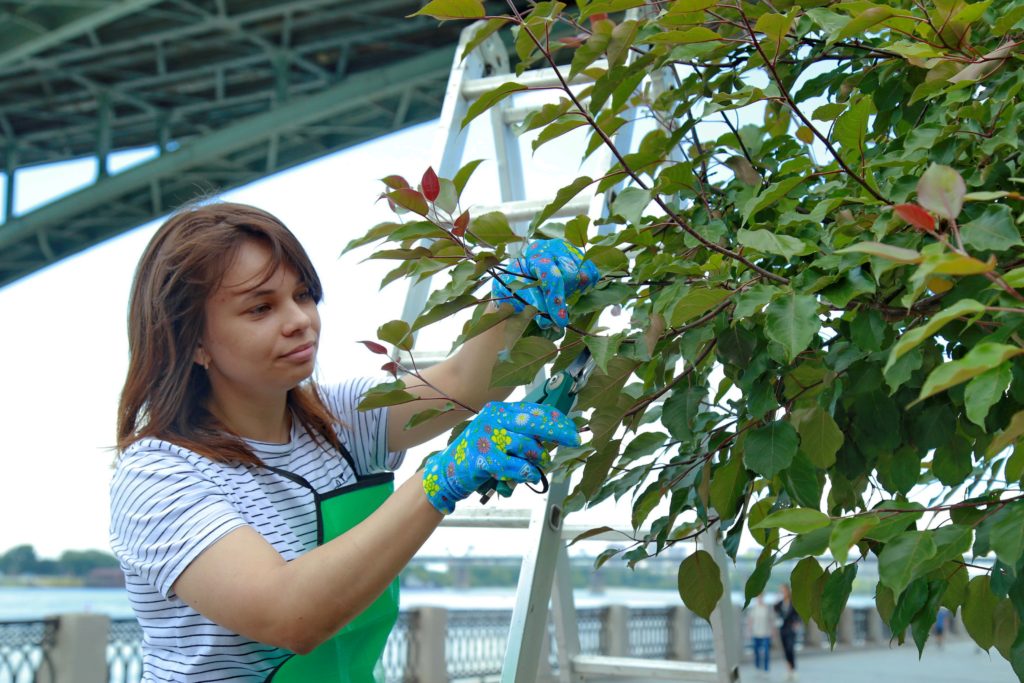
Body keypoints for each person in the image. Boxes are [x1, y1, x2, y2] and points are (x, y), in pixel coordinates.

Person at [108, 201, 599, 682]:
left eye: (302, 295)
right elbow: (289, 615)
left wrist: (510, 299)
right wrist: (439, 478)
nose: (299, 319)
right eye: (260, 307)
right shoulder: (159, 475)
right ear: (191, 341)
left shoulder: (338, 419)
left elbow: (467, 382)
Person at [775, 583, 801, 682]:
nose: (782, 592)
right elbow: (775, 608)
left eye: (783, 590)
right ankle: (789, 670)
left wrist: (797, 623)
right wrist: (778, 597)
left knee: (790, 648)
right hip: (782, 629)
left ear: (787, 591)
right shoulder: (780, 603)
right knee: (785, 649)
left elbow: (798, 613)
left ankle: (793, 669)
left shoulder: (793, 602)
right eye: (781, 591)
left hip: (791, 628)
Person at [748, 593, 774, 678]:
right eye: (758, 597)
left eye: (761, 597)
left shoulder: (767, 608)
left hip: (766, 633)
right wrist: (749, 631)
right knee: (756, 652)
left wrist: (772, 631)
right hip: (756, 633)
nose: (760, 599)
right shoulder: (754, 608)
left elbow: (771, 620)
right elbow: (751, 620)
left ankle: (766, 669)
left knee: (766, 652)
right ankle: (758, 668)